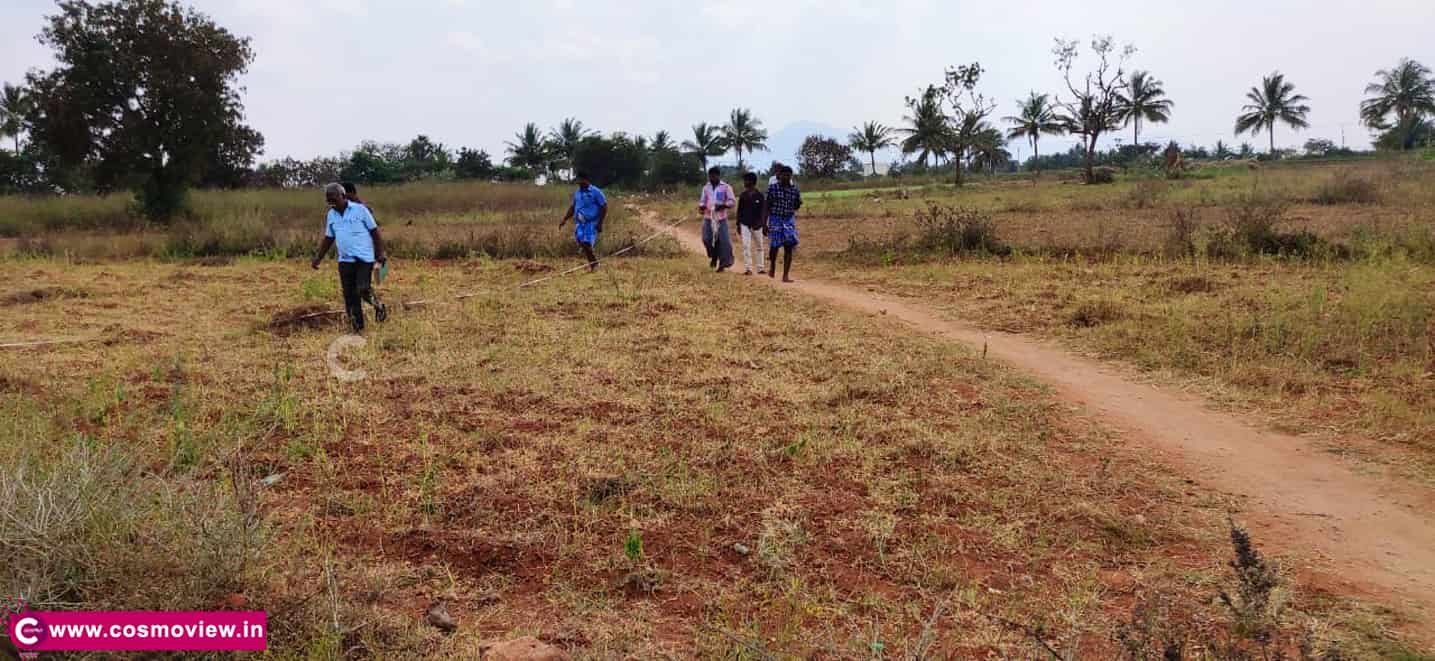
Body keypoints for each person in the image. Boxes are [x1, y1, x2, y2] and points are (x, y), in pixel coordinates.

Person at [311, 182, 388, 333]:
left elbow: (375, 232)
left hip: (364, 258)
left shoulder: (360, 210)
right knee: (349, 295)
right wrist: (318, 257)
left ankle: (378, 306)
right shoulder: (331, 215)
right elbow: (329, 238)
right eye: (328, 199)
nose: (330, 201)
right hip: (345, 260)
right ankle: (357, 328)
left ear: (343, 195)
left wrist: (380, 253)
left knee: (363, 288)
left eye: (333, 197)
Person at [559, 171, 608, 272]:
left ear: (586, 180)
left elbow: (604, 207)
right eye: (578, 182)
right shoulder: (577, 193)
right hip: (580, 223)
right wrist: (564, 219)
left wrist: (600, 223)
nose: (579, 183)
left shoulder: (596, 192)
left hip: (591, 223)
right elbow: (573, 207)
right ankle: (594, 262)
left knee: (586, 244)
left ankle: (594, 265)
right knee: (581, 242)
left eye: (581, 181)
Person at [764, 165, 801, 282]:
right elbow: (767, 206)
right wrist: (764, 223)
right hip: (775, 218)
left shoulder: (794, 190)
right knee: (774, 246)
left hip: (788, 219)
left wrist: (797, 203)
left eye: (788, 176)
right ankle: (772, 266)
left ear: (791, 176)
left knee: (789, 246)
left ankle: (785, 275)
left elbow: (797, 205)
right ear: (779, 176)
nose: (786, 178)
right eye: (784, 175)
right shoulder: (773, 188)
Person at [697, 167, 735, 272]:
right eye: (710, 176)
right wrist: (701, 207)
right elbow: (702, 201)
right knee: (706, 239)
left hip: (721, 218)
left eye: (714, 176)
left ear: (718, 176)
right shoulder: (706, 187)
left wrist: (723, 205)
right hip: (708, 217)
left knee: (724, 241)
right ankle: (714, 255)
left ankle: (724, 263)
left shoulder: (726, 187)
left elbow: (732, 201)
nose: (711, 178)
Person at [735, 172, 766, 275]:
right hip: (745, 224)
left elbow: (763, 211)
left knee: (759, 246)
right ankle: (748, 268)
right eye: (744, 180)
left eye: (746, 180)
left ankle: (760, 268)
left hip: (757, 224)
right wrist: (738, 224)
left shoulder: (760, 196)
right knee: (746, 246)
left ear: (752, 182)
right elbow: (739, 211)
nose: (744, 182)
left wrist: (762, 223)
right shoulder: (743, 195)